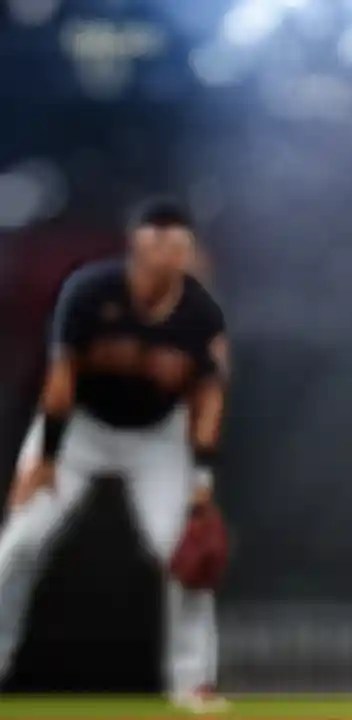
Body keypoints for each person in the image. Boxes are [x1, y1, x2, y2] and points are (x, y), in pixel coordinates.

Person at [0, 198, 230, 713]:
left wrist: (202, 484)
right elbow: (62, 380)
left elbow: (208, 400)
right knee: (20, 543)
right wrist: (46, 457)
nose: (167, 252)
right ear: (135, 245)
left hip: (157, 439)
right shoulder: (89, 292)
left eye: (178, 243)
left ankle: (193, 682)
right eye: (157, 239)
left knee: (182, 554)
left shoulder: (201, 315)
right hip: (78, 429)